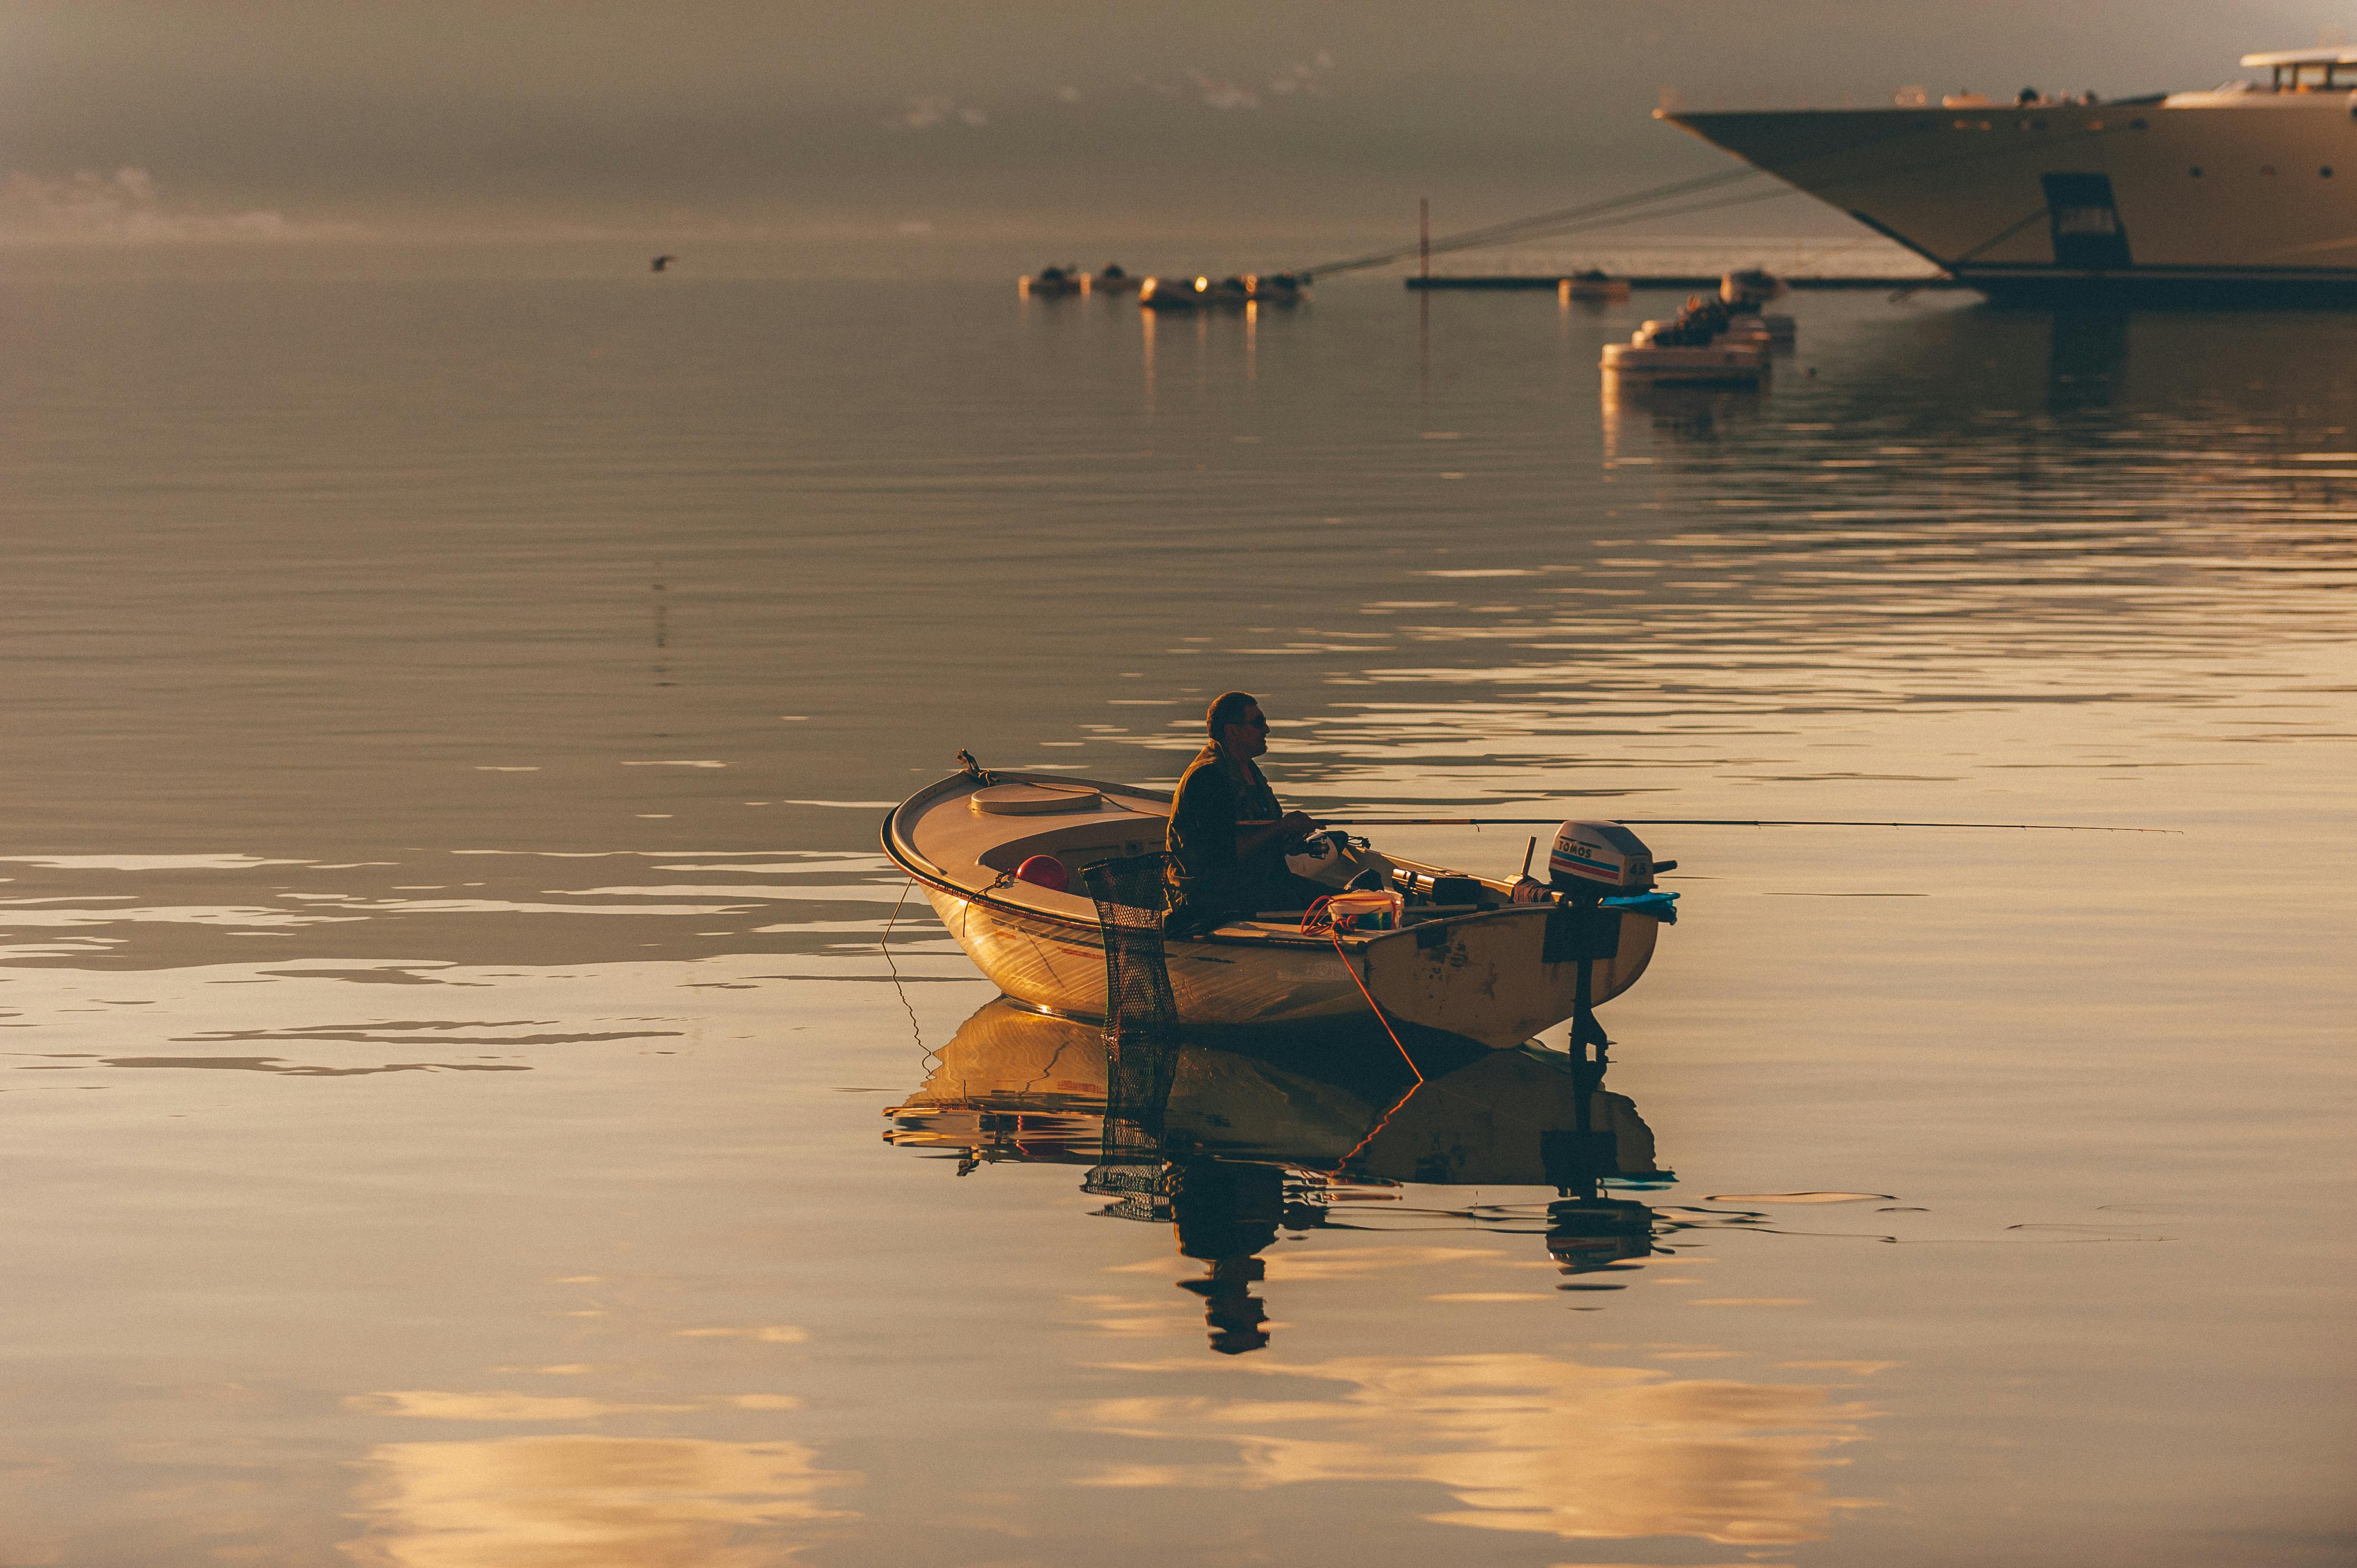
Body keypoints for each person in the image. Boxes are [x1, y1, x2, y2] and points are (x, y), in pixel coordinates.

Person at [1165, 692, 1329, 931]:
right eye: (1258, 723)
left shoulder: (1248, 770)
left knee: (1353, 898)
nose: (1267, 730)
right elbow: (1225, 854)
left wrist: (1288, 841)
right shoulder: (1209, 778)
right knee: (1331, 910)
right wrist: (1282, 827)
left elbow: (1259, 836)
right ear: (1232, 731)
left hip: (1260, 882)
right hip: (1215, 894)